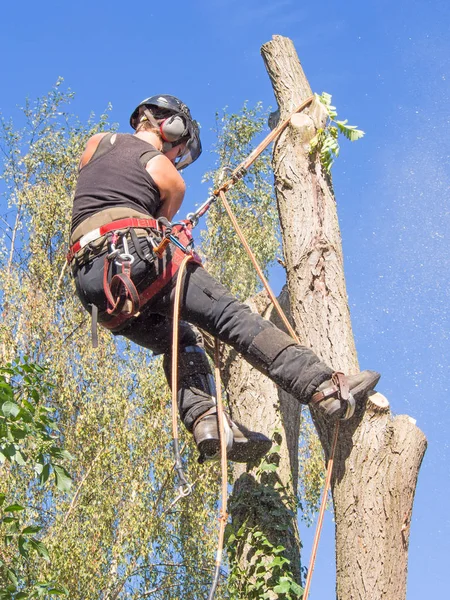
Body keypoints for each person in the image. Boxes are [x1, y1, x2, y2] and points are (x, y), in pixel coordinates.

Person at [69, 94, 380, 464]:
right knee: (230, 317)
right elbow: (159, 224)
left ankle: (206, 422)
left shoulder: (96, 143)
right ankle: (323, 387)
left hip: (93, 289)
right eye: (180, 147)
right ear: (173, 128)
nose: (177, 156)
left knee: (179, 341)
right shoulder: (169, 177)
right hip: (136, 259)